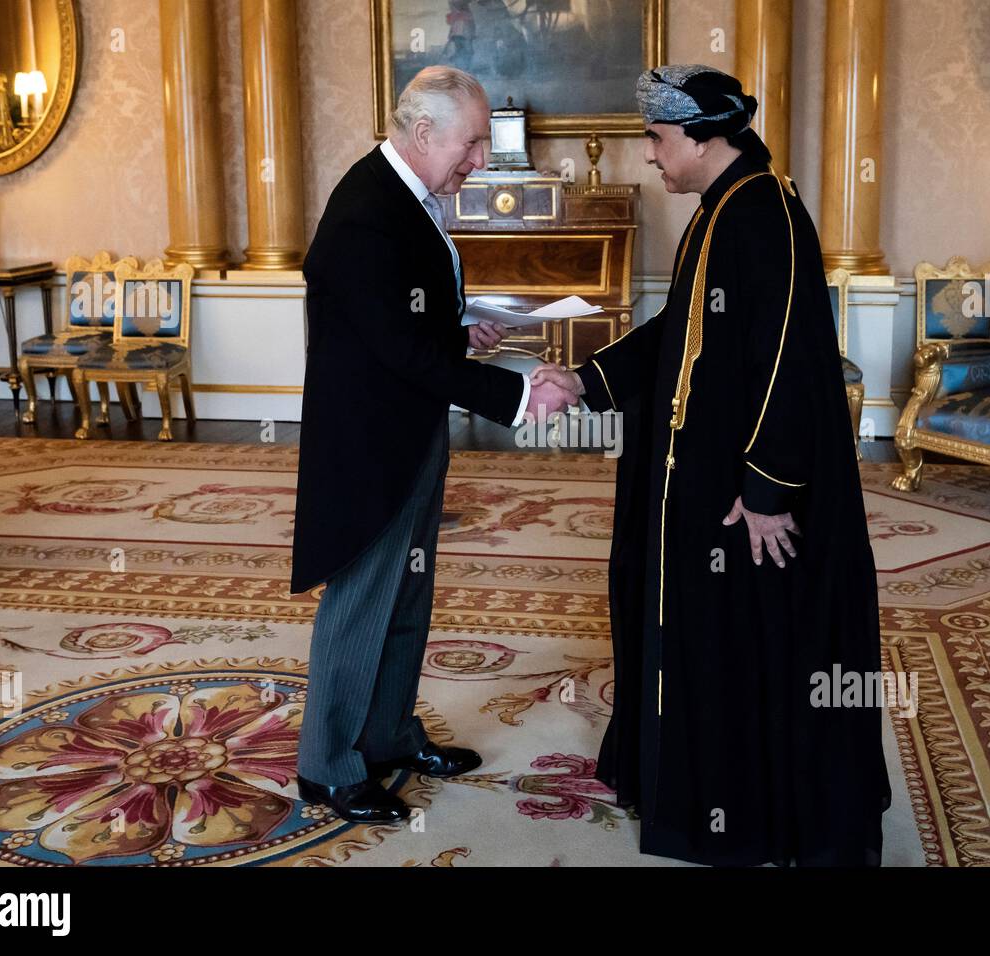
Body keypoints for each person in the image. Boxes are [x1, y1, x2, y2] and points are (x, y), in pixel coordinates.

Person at [531, 64, 891, 865]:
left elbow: (791, 359)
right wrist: (586, 380)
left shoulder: (766, 216)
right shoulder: (719, 207)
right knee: (700, 638)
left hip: (740, 497)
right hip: (695, 483)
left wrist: (767, 490)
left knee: (744, 649)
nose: (651, 158)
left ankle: (743, 812)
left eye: (658, 141)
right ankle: (691, 793)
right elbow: (676, 337)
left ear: (702, 136)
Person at [291, 65, 576, 824]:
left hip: (408, 432)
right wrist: (516, 393)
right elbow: (397, 352)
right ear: (423, 133)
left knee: (406, 597)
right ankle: (327, 768)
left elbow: (396, 326)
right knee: (360, 605)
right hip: (369, 447)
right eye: (472, 141)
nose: (479, 158)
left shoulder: (407, 197)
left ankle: (386, 736)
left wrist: (456, 331)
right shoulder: (365, 212)